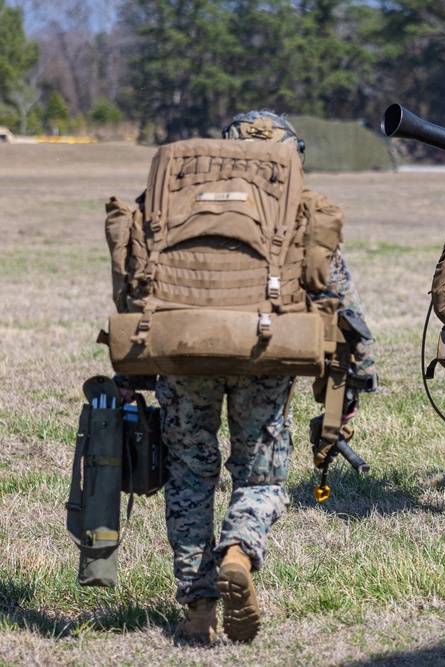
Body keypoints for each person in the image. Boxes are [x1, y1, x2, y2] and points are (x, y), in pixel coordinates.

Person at [112, 111, 375, 644]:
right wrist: (357, 376)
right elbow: (339, 296)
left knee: (188, 476)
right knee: (260, 478)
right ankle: (238, 550)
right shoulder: (295, 203)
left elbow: (133, 269)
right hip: (266, 351)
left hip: (184, 348)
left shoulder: (178, 192)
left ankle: (198, 608)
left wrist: (130, 368)